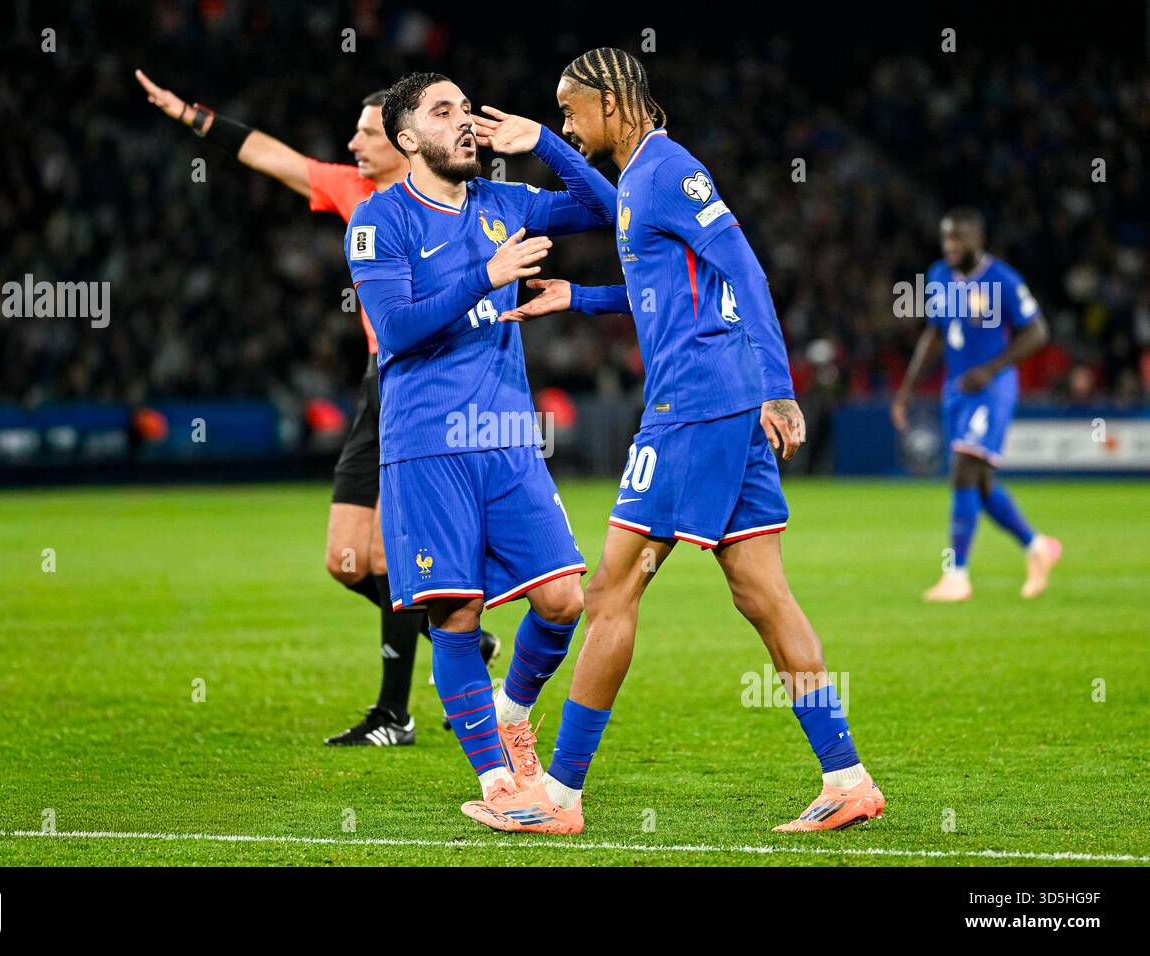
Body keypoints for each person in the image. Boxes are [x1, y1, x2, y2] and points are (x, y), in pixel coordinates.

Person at [462, 48, 885, 834]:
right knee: (762, 593)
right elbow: (664, 286)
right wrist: (579, 297)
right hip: (719, 406)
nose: (563, 123)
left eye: (568, 110)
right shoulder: (645, 180)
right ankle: (847, 777)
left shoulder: (666, 172)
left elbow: (744, 269)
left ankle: (556, 797)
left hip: (694, 409)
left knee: (611, 593)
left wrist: (779, 384)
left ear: (612, 103)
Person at [134, 70, 497, 747]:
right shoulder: (352, 189)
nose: (352, 144)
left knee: (390, 558)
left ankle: (395, 713)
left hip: (426, 385)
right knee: (347, 562)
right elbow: (270, 155)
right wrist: (189, 115)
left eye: (365, 133)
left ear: (402, 138)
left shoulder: (453, 196)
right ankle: (458, 633)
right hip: (375, 385)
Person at [345, 71, 617, 808]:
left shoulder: (505, 201)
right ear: (407, 140)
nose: (464, 120)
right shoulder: (379, 220)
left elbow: (612, 211)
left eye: (467, 108)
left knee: (565, 599)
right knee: (456, 615)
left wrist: (547, 144)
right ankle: (497, 781)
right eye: (444, 111)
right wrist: (485, 277)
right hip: (426, 445)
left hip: (505, 438)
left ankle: (512, 714)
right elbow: (396, 330)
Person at [892, 207, 1061, 602]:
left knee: (964, 471)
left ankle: (957, 575)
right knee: (980, 484)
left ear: (976, 239)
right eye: (946, 238)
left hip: (992, 387)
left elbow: (1038, 331)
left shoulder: (1001, 278)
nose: (950, 246)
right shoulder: (938, 276)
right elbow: (934, 334)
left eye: (958, 238)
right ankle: (1037, 547)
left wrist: (992, 369)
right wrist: (907, 389)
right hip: (957, 389)